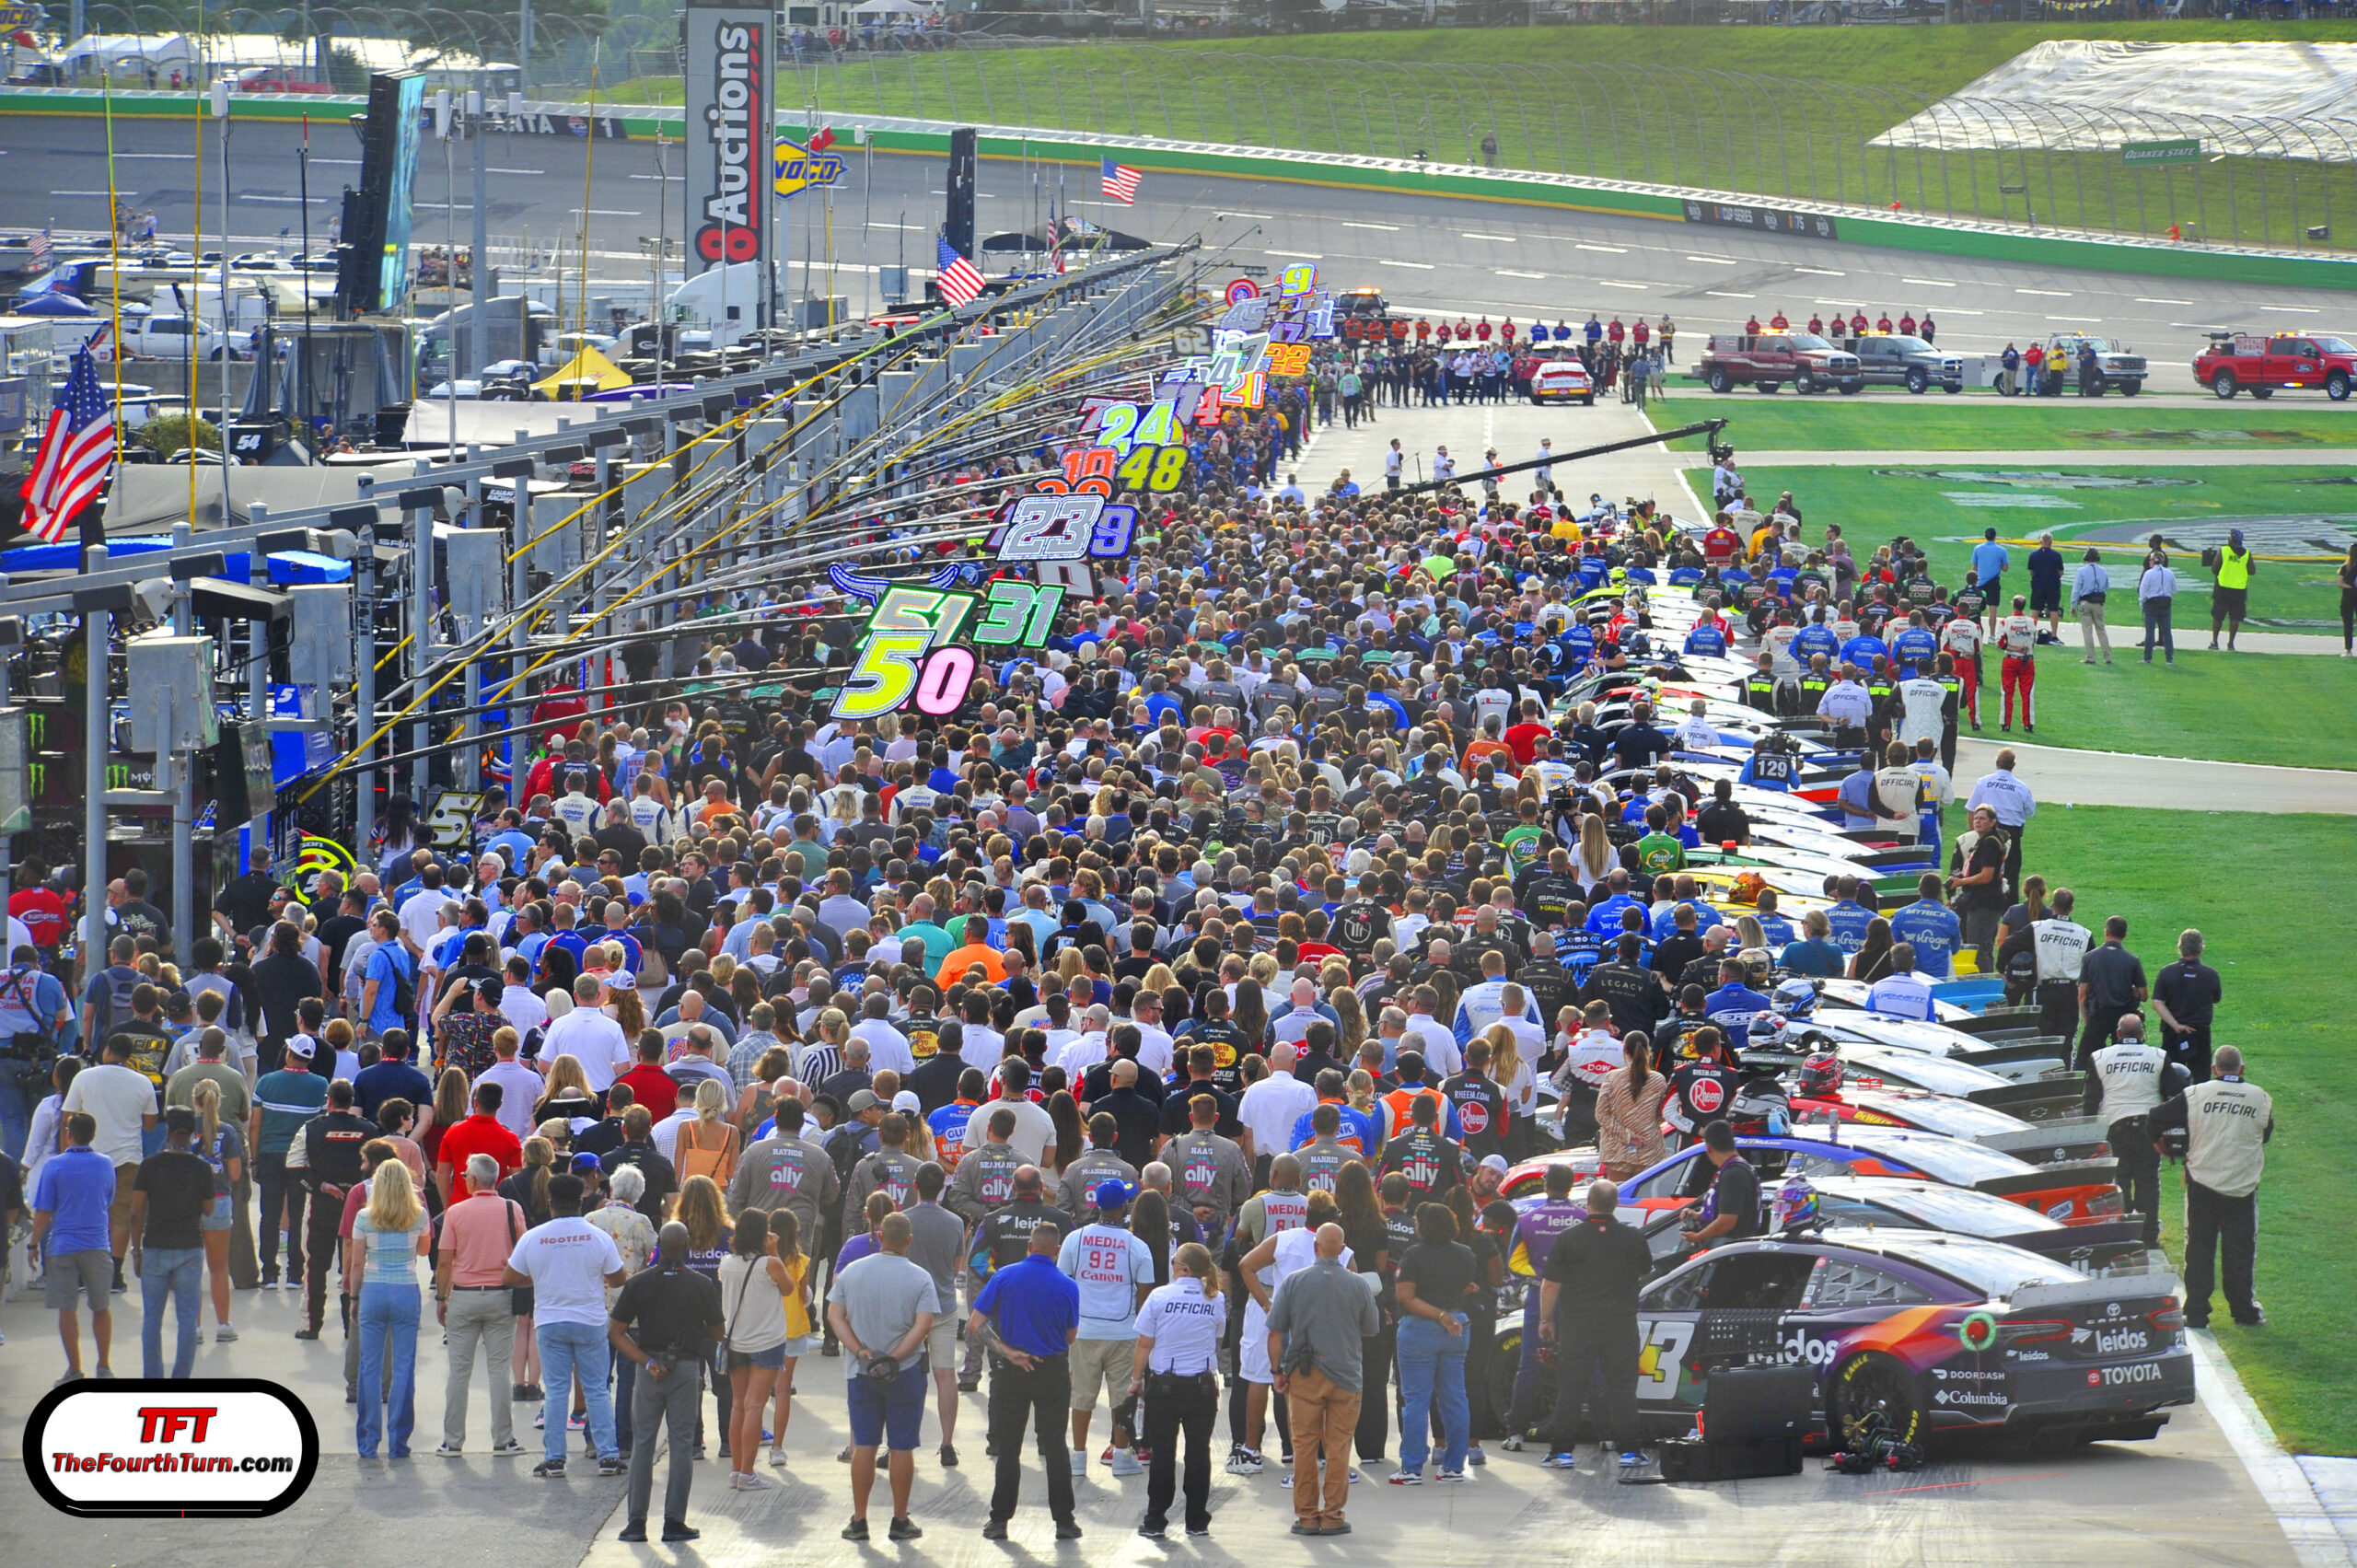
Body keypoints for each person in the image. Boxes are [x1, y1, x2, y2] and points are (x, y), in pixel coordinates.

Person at [504, 1172, 630, 1479]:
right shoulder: (597, 1236)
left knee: (557, 1391)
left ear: (550, 1203)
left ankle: (555, 1457)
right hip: (589, 1320)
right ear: (581, 1200)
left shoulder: (534, 1237)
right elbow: (618, 1278)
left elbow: (509, 1278)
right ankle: (608, 1455)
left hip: (550, 1322)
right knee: (597, 1389)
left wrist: (539, 1279)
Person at [609, 1220, 726, 1543]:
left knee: (643, 1444)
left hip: (649, 1370)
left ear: (659, 1244)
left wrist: (646, 1361)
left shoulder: (640, 1283)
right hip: (686, 1369)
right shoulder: (701, 1284)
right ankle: (674, 1522)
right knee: (681, 1445)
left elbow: (616, 1332)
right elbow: (718, 1330)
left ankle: (636, 1523)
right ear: (687, 1246)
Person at [829, 1210, 938, 1542]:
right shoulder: (919, 1278)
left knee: (864, 1444)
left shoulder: (852, 1273)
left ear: (878, 1237)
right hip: (903, 1373)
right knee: (902, 1447)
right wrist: (895, 1356)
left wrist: (861, 1351)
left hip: (861, 1372)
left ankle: (859, 1520)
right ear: (908, 1241)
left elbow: (835, 1315)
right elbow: (923, 1324)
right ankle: (899, 1519)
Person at [1264, 1223, 1378, 1537]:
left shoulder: (1293, 1282)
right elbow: (1372, 1327)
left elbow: (1275, 1331)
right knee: (1339, 1447)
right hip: (1346, 1375)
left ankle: (1306, 1516)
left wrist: (1277, 1371)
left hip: (1304, 1373)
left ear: (1315, 1247)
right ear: (1341, 1251)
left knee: (1304, 1446)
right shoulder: (1358, 1285)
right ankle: (1333, 1516)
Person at [973, 1225, 1084, 1541]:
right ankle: (1064, 1520)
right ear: (1057, 1250)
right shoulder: (1067, 1286)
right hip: (1052, 1370)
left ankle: (999, 1520)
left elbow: (977, 1323)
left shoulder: (1005, 1276)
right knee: (1055, 1446)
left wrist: (1008, 1351)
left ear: (1030, 1246)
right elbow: (1071, 1335)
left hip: (1011, 1370)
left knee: (1009, 1447)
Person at [2150, 1045, 2271, 1330]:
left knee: (2199, 1251)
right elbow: (2265, 1134)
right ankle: (2243, 1312)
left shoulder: (2195, 1094)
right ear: (2241, 1069)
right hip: (2241, 1188)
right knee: (2240, 1252)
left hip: (2203, 1183)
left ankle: (2195, 1313)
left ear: (2215, 1069)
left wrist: (2162, 1149)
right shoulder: (2261, 1098)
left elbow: (2155, 1118)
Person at [1537, 1179, 1653, 1472]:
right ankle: (1629, 1451)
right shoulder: (1633, 1237)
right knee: (1623, 1389)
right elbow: (1644, 1271)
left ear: (1587, 1203)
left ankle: (1561, 1452)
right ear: (1615, 1204)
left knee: (1572, 1389)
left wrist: (1546, 1320)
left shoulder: (1568, 1238)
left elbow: (1550, 1284)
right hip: (1621, 1325)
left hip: (1578, 1326)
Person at [433, 1151, 529, 1456]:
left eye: (464, 1176)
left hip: (463, 1296)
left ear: (472, 1180)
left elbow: (445, 1261)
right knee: (499, 1370)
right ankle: (503, 1439)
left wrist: (441, 1298)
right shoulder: (512, 1209)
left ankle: (452, 1441)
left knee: (459, 1371)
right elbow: (523, 1253)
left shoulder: (456, 1212)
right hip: (501, 1295)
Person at [1130, 1240, 1226, 1539]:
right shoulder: (1216, 1298)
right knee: (1199, 1452)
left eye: (1174, 1263)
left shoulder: (1160, 1296)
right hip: (1201, 1386)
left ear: (1183, 1268)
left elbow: (1145, 1343)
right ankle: (1197, 1520)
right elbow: (1218, 1335)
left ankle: (1156, 1520)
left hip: (1165, 1385)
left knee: (1163, 1453)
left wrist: (1135, 1380)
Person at [1059, 1179, 1155, 1480]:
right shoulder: (1137, 1246)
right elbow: (1145, 1293)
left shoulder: (1076, 1239)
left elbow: (1063, 1284)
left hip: (1083, 1330)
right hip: (1124, 1331)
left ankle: (1078, 1455)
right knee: (1122, 1398)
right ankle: (1123, 1456)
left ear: (1097, 1206)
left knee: (1081, 1396)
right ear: (1123, 1207)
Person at [350, 1156, 432, 1458]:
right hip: (405, 1290)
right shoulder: (419, 1215)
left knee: (369, 1367)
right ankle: (399, 1442)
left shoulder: (364, 1217)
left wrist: (354, 1298)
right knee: (403, 1366)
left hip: (372, 1289)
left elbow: (357, 1263)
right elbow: (423, 1251)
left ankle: (369, 1442)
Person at [1391, 1201, 1478, 1485]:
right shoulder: (1466, 1254)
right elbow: (1462, 1287)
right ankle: (1454, 1466)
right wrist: (1448, 1314)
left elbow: (1405, 1297)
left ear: (1423, 1227)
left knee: (1416, 1398)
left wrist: (1439, 1315)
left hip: (1421, 1329)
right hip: (1457, 1327)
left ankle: (1412, 1467)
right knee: (1455, 1397)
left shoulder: (1413, 1255)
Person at [130, 1106, 215, 1379]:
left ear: (167, 1131)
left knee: (152, 1320)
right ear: (192, 1133)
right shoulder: (202, 1167)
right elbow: (210, 1209)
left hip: (155, 1246)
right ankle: (181, 1377)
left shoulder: (150, 1165)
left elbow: (136, 1211)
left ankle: (152, 1376)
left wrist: (136, 1249)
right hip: (189, 1247)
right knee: (187, 1319)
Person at [31, 1111, 117, 1382]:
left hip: (63, 1246)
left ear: (68, 1134)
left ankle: (74, 1369)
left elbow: (44, 1211)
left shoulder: (54, 1166)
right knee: (101, 1307)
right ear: (93, 1134)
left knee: (67, 1309)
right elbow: (109, 1199)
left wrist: (33, 1244)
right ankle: (103, 1366)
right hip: (97, 1244)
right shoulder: (106, 1164)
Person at [2084, 1016, 2182, 1249]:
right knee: (2148, 1180)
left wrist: (2089, 1133)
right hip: (2149, 1128)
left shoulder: (2099, 1058)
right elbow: (2172, 1094)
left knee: (2120, 1182)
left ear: (2118, 1034)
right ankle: (2149, 1237)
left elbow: (2091, 1099)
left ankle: (2123, 1235)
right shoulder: (2158, 1056)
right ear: (2142, 1034)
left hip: (2115, 1128)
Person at [718, 1208, 793, 1493]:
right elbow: (787, 1289)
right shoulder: (770, 1264)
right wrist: (774, 1250)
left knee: (738, 1404)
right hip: (767, 1342)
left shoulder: (726, 1263)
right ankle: (748, 1473)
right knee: (754, 1406)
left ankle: (737, 1470)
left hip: (735, 1342)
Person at [2076, 916, 2148, 1074]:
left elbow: (2082, 994)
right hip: (2124, 1018)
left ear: (2106, 932)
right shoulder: (2132, 960)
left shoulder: (2090, 957)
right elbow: (2144, 995)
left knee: (2083, 1063)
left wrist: (2088, 1021)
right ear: (2125, 935)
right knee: (2126, 1063)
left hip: (2098, 1016)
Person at [2153, 929, 2223, 1084]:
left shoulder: (2167, 972)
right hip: (2200, 1034)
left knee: (2170, 1079)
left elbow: (2157, 1003)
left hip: (2172, 1034)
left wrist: (2176, 1025)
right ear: (2201, 948)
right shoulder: (2210, 974)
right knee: (2200, 1081)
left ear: (2180, 947)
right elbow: (2216, 999)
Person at [1677, 1121, 1759, 1249]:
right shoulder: (1735, 1169)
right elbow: (1727, 1210)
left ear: (1708, 1147)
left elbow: (1727, 1222)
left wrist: (1698, 1236)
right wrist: (1698, 1216)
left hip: (1728, 1251)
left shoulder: (1734, 1174)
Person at [2208, 528, 2255, 651]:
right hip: (2239, 589)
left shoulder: (2224, 551)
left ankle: (2215, 641)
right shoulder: (2247, 553)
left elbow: (2214, 569)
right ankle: (2230, 644)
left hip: (2223, 587)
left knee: (2218, 617)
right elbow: (2252, 571)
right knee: (2235, 618)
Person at [2071, 548, 2113, 664]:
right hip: (2099, 603)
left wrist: (2073, 604)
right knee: (2101, 630)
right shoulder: (2103, 571)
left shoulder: (2081, 571)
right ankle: (2108, 656)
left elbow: (2076, 589)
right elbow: (2106, 587)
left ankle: (2091, 657)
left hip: (2085, 602)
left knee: (2087, 630)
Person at [2139, 550, 2179, 665]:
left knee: (2150, 632)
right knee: (2167, 632)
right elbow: (2175, 589)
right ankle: (2169, 658)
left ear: (2152, 561)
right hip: (2165, 603)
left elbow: (2143, 591)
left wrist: (2142, 604)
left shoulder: (2149, 574)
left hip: (2152, 604)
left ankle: (2147, 657)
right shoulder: (2169, 573)